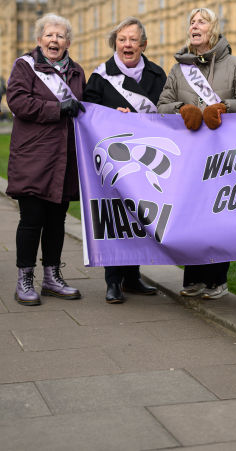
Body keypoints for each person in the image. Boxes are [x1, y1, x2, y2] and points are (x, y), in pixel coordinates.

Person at [157, 7, 236, 300]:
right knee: (191, 215)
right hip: (189, 156)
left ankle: (217, 279)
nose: (195, 26)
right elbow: (162, 104)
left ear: (214, 29)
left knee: (219, 214)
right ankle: (194, 276)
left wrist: (223, 107)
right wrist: (181, 110)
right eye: (192, 22)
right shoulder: (178, 69)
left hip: (224, 155)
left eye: (202, 21)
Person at [6, 13, 85, 306]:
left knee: (56, 220)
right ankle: (24, 278)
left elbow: (83, 108)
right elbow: (17, 101)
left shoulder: (76, 72)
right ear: (39, 40)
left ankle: (52, 276)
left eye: (60, 36)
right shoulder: (24, 66)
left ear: (67, 42)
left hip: (64, 158)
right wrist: (57, 108)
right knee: (31, 219)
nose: (55, 40)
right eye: (49, 35)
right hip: (33, 156)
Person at [84, 17, 164, 304]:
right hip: (114, 160)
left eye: (132, 40)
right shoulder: (100, 76)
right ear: (115, 43)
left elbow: (166, 112)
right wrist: (110, 113)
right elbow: (87, 112)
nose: (127, 44)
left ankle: (133, 276)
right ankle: (113, 280)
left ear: (143, 44)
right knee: (115, 217)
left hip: (146, 159)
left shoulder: (157, 74)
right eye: (122, 40)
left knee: (140, 217)